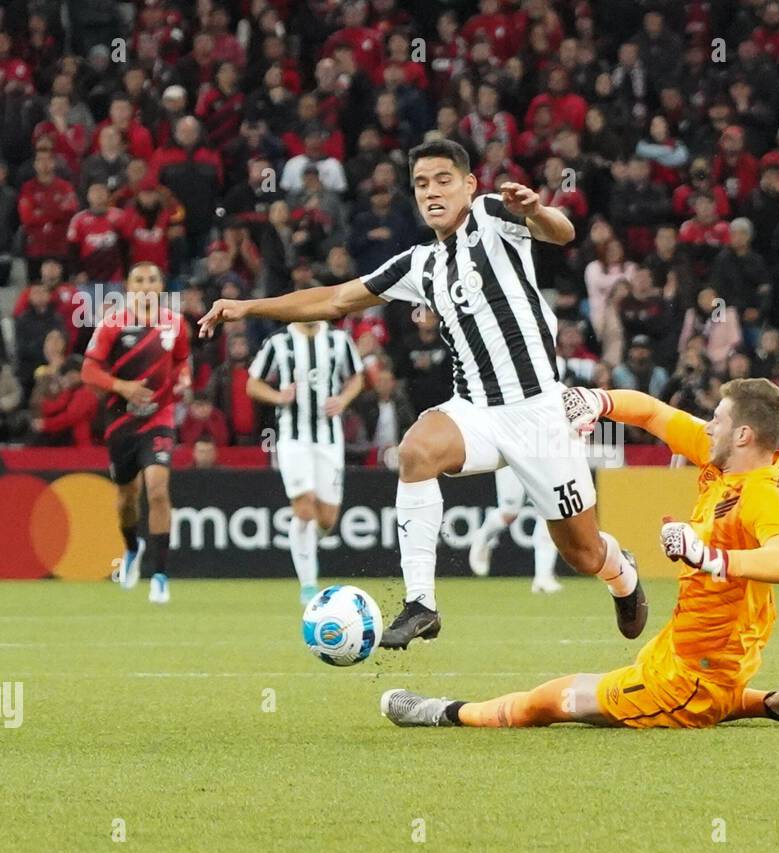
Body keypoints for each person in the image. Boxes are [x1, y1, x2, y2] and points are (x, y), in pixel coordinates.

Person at [199, 139, 647, 649]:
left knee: (583, 554)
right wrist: (248, 307)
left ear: (468, 185)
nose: (431, 191)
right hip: (474, 410)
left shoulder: (494, 214)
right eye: (421, 184)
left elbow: (563, 234)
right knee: (414, 451)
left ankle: (623, 576)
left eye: (442, 179)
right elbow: (334, 299)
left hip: (539, 412)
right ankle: (421, 604)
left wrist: (538, 209)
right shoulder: (418, 264)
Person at [380, 379, 779, 730]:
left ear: (744, 435)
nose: (707, 427)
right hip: (688, 655)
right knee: (704, 693)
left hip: (691, 677)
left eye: (717, 421)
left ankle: (438, 712)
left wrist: (712, 558)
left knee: (551, 702)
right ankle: (778, 702)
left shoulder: (763, 492)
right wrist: (599, 400)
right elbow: (653, 413)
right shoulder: (722, 457)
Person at [81, 262, 191, 604]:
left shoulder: (175, 323)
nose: (146, 285)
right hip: (120, 421)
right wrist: (122, 387)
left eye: (152, 279)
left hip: (160, 417)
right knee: (127, 500)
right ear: (129, 287)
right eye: (139, 280)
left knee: (157, 490)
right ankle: (132, 548)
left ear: (161, 286)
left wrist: (185, 379)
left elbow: (183, 360)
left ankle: (160, 576)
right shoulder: (113, 323)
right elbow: (88, 370)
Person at [247, 319, 364, 603]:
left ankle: (307, 548)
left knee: (327, 519)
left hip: (329, 439)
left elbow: (357, 377)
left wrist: (344, 399)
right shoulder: (278, 342)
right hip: (292, 437)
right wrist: (278, 396)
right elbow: (252, 384)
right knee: (304, 508)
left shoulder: (338, 339)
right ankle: (308, 585)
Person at [469, 466, 562, 594]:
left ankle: (543, 577)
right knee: (508, 513)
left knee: (549, 511)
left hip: (543, 457)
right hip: (512, 455)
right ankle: (483, 536)